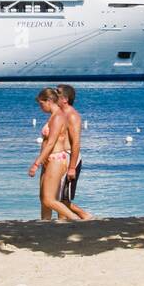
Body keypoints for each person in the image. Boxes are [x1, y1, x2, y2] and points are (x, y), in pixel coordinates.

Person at [28, 87, 80, 221]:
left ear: (49, 101)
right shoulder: (53, 116)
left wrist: (36, 163)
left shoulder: (58, 117)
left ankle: (75, 219)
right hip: (48, 160)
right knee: (43, 198)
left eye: (41, 104)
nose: (40, 107)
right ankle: (45, 224)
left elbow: (51, 143)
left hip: (56, 159)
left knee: (49, 199)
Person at [54, 83, 92, 220]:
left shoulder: (72, 116)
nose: (53, 95)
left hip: (71, 158)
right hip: (61, 159)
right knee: (57, 196)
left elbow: (76, 143)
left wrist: (71, 167)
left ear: (65, 99)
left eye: (57, 93)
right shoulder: (59, 114)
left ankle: (85, 216)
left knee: (63, 199)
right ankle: (62, 222)